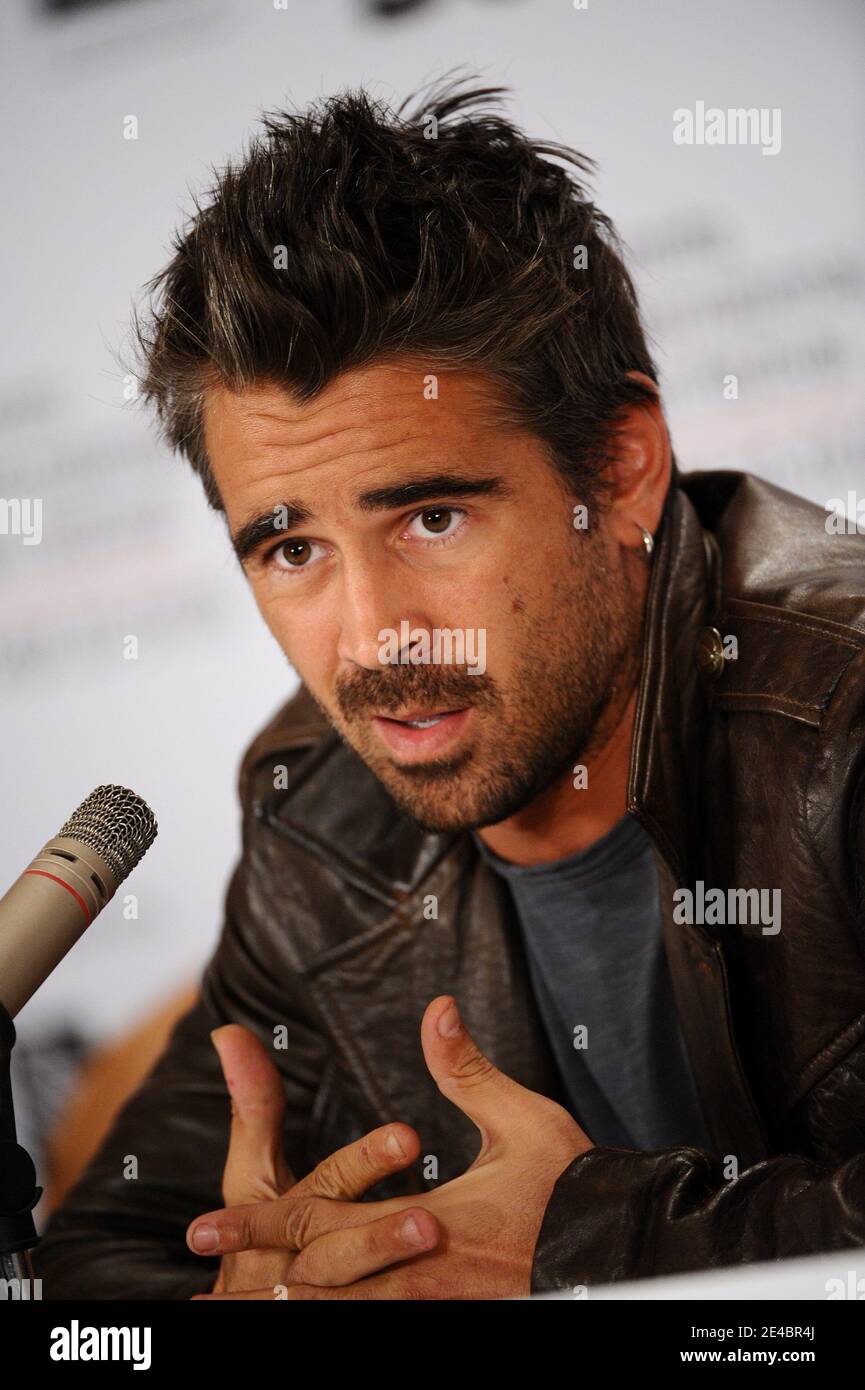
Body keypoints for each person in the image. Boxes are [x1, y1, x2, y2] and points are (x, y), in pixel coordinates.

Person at [33, 76, 865, 1300]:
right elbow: (98, 1268)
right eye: (292, 548)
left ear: (624, 469)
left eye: (431, 515)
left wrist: (584, 1249)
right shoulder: (319, 817)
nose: (372, 641)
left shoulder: (841, 729)